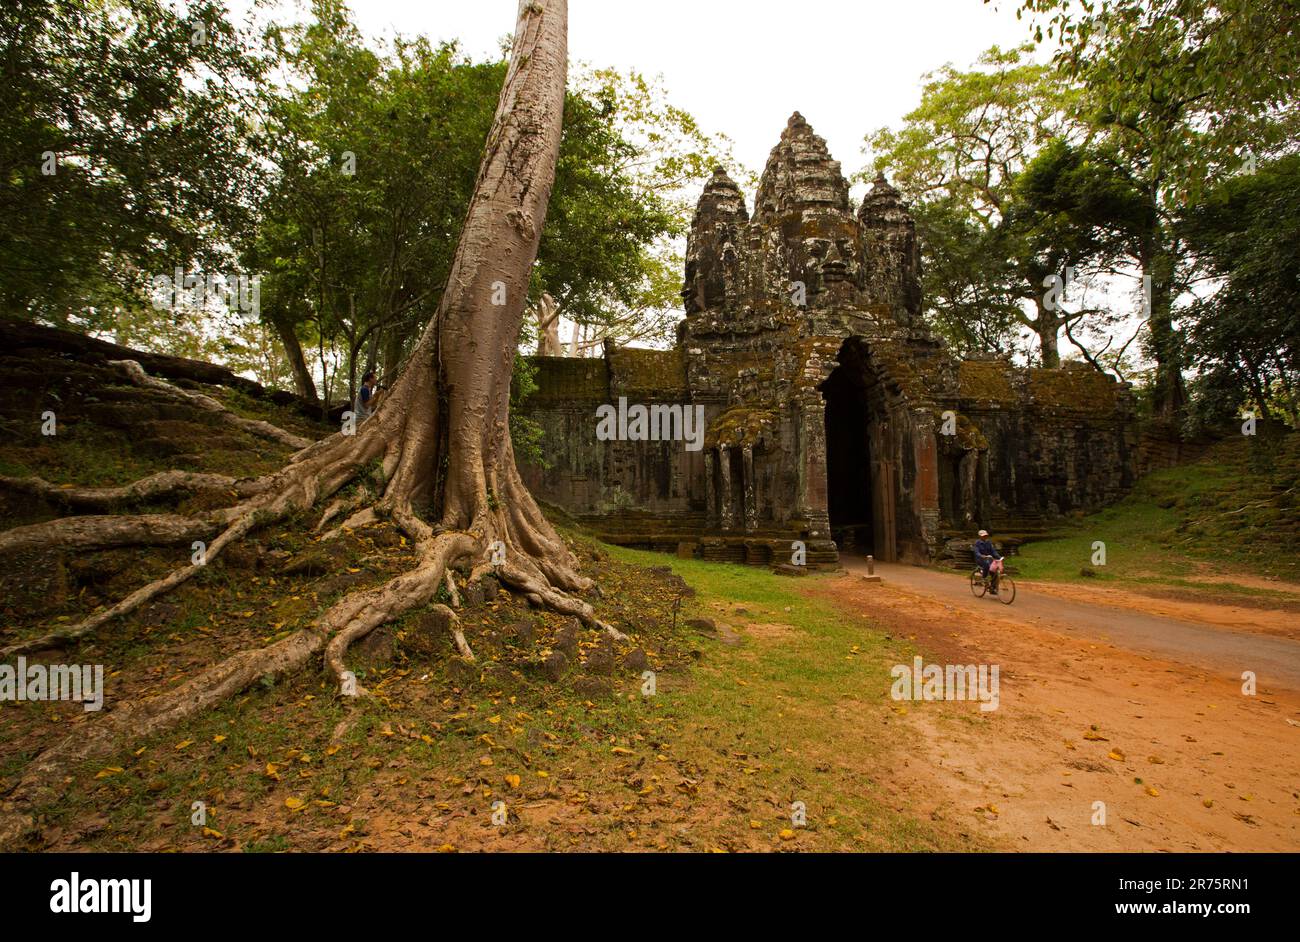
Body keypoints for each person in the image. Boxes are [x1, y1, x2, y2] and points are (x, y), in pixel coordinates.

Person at [973, 528, 1002, 595]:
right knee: (986, 565)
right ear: (980, 536)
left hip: (989, 559)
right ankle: (984, 577)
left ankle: (993, 588)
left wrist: (999, 557)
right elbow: (976, 551)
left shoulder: (988, 542)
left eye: (985, 536)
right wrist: (981, 555)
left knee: (994, 572)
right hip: (980, 559)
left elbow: (993, 551)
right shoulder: (977, 543)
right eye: (983, 536)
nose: (984, 537)